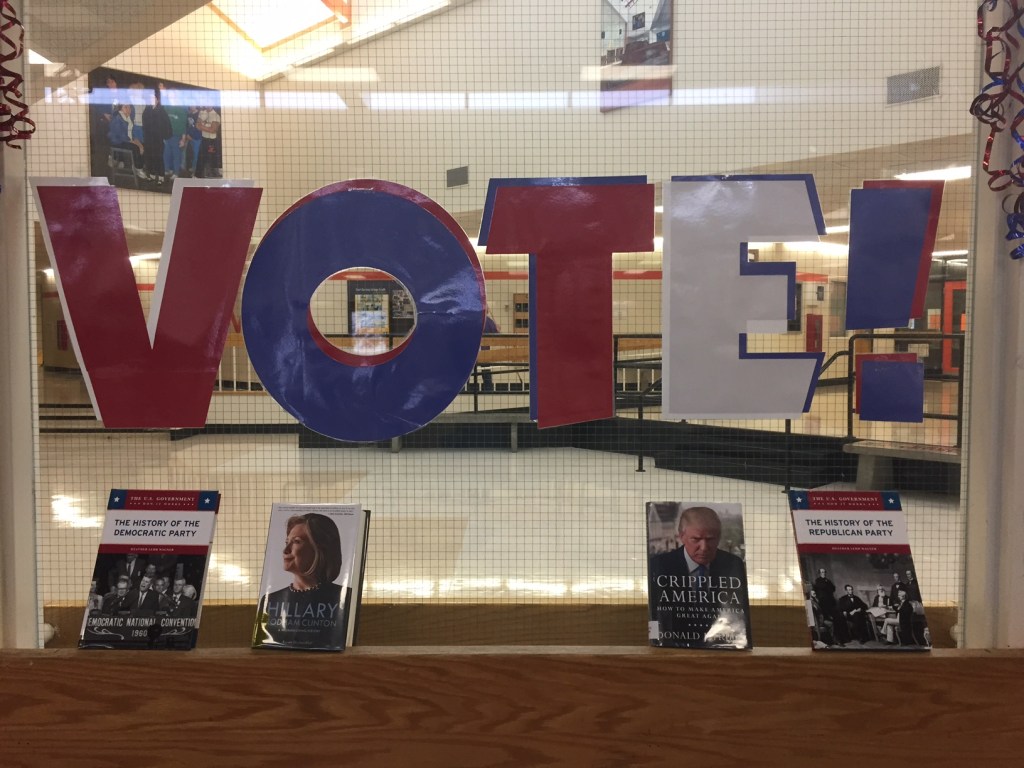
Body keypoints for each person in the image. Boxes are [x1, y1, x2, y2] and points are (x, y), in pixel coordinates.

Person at [648, 506, 749, 646]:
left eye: (710, 539)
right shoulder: (659, 566)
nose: (704, 547)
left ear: (719, 537)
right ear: (681, 536)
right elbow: (656, 618)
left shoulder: (733, 565)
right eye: (696, 539)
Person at [253, 512, 347, 649]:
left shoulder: (345, 598)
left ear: (320, 549)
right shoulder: (270, 600)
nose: (285, 550)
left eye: (296, 542)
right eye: (287, 542)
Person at [141, 87, 172, 182]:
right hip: (148, 138)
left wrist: (164, 136)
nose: (151, 100)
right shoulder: (147, 110)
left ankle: (161, 176)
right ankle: (152, 174)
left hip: (158, 139)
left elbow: (167, 125)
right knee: (149, 156)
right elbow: (144, 123)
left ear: (157, 100)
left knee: (158, 157)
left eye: (153, 98)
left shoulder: (161, 111)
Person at [812, 567, 847, 645]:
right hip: (824, 605)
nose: (823, 573)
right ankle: (837, 640)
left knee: (840, 617)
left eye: (824, 572)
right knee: (834, 619)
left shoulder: (828, 580)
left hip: (831, 603)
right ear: (819, 573)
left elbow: (833, 588)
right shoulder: (818, 581)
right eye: (821, 572)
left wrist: (828, 587)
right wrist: (828, 587)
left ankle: (843, 639)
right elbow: (824, 587)